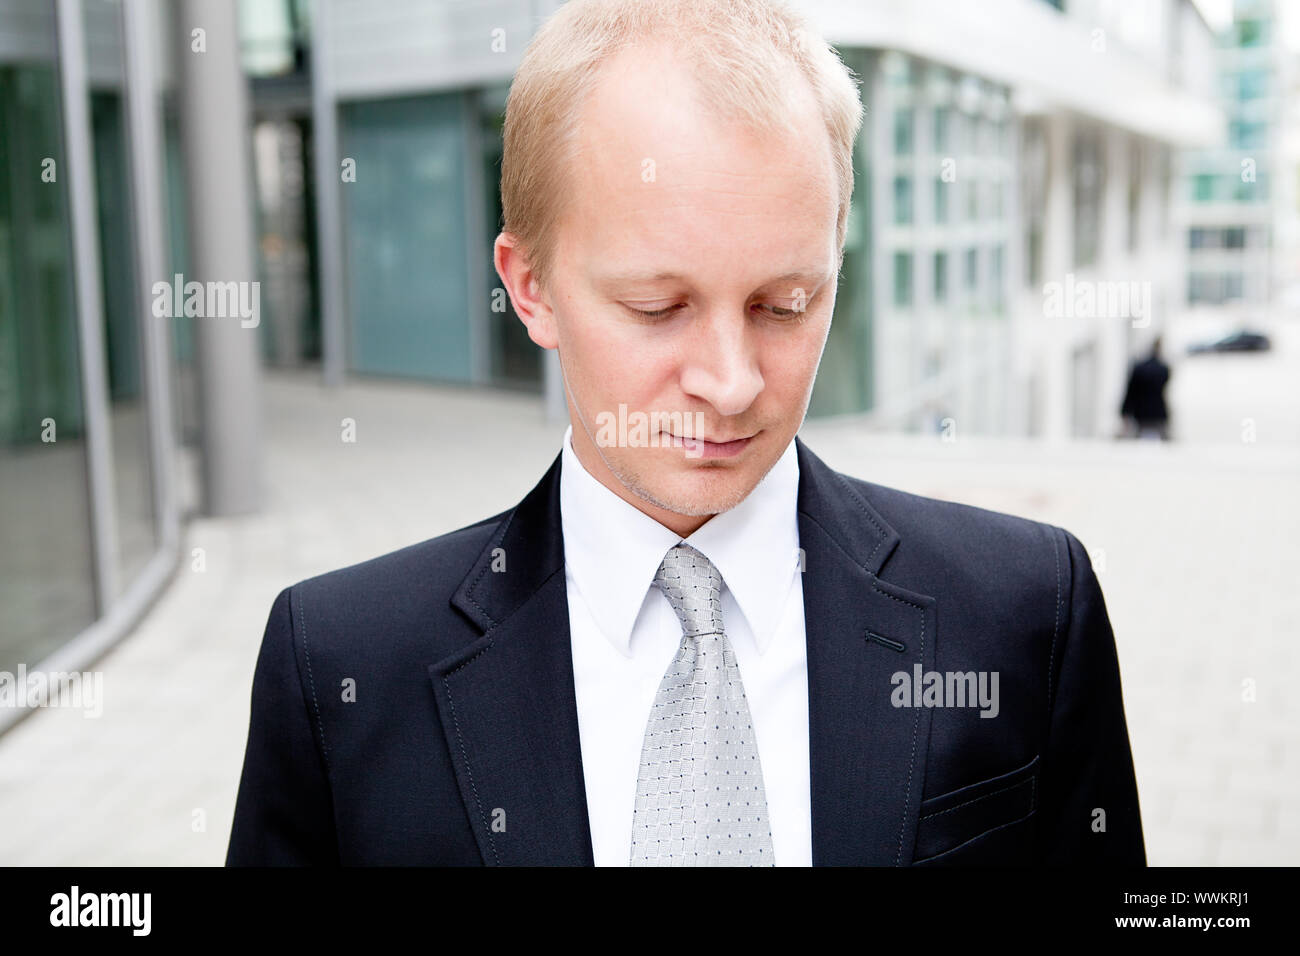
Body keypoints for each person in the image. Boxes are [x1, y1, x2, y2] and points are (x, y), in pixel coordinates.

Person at [226, 0, 1144, 866]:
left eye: (786, 304)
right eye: (657, 307)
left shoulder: (1027, 612)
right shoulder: (340, 668)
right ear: (531, 285)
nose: (732, 382)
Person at [1120, 337, 1172, 441]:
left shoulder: (1139, 368)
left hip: (1141, 412)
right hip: (1158, 412)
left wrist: (1125, 411)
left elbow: (1131, 392)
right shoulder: (1163, 369)